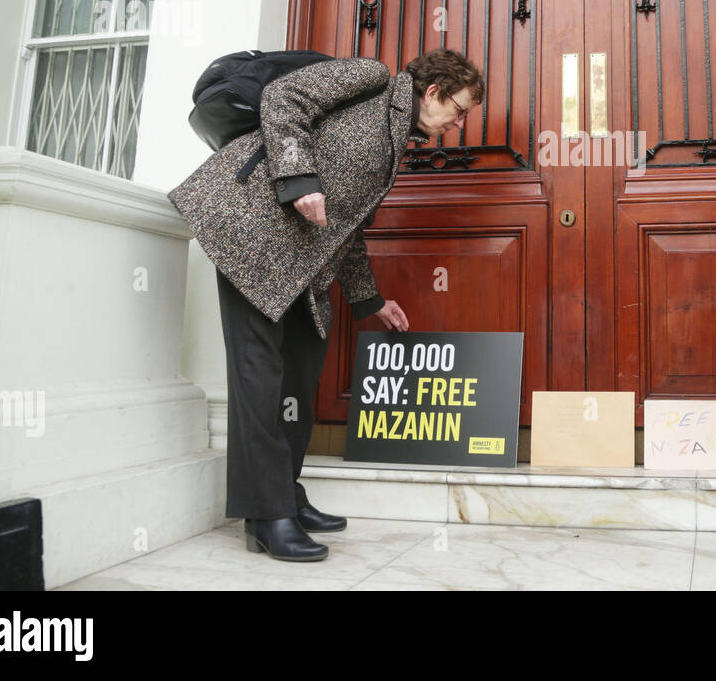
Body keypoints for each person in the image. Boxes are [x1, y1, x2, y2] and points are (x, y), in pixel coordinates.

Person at [169, 48, 483, 561]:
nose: (459, 123)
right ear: (433, 91)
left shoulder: (393, 140)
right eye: (460, 108)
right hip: (250, 230)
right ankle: (267, 516)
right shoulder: (372, 78)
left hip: (298, 259)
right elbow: (283, 97)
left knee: (300, 371)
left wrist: (370, 301)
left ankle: (285, 493)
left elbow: (347, 228)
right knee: (260, 375)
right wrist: (300, 180)